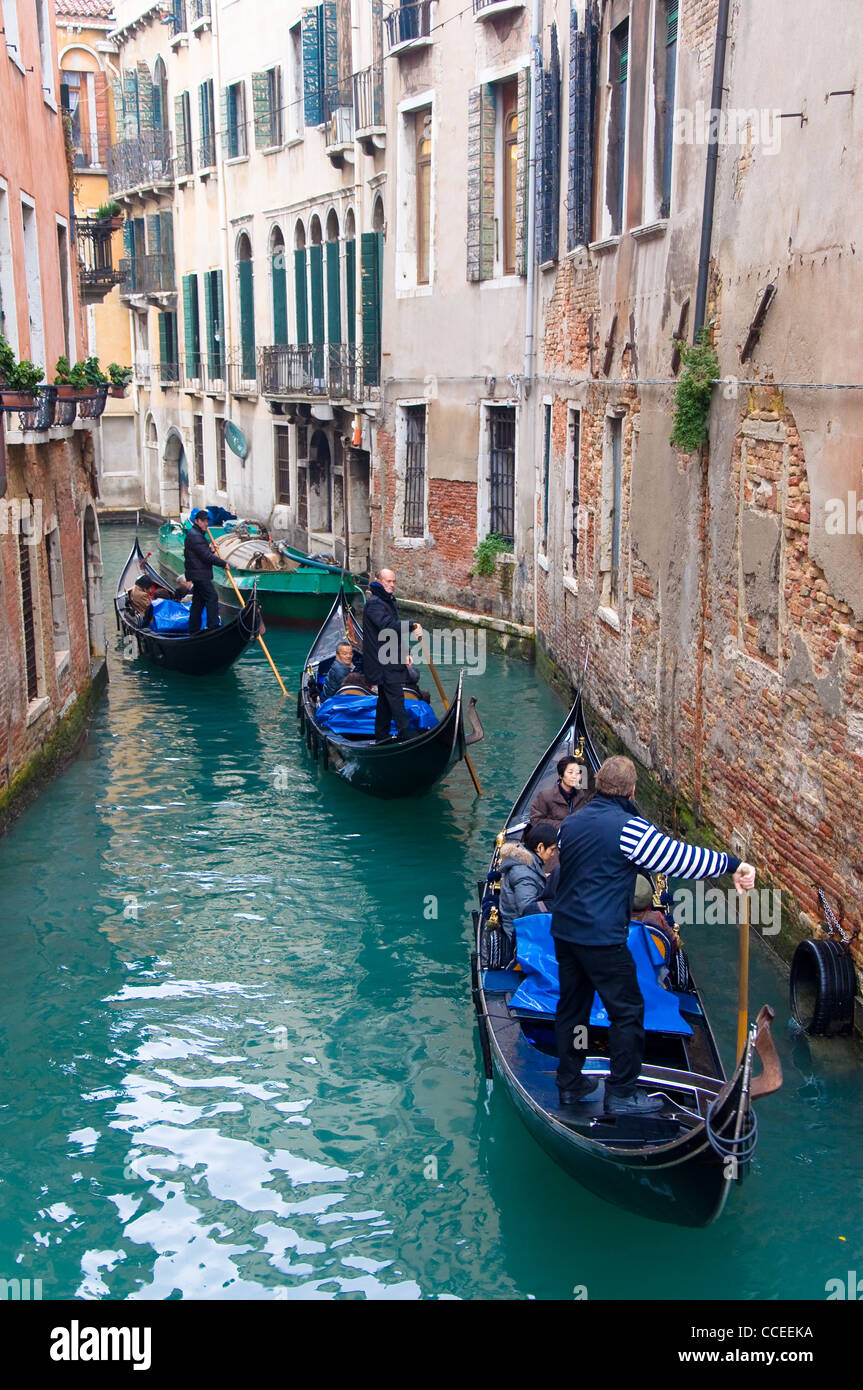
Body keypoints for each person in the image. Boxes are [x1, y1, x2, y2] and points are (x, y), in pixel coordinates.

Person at [551, 754, 755, 1114]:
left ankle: (569, 1082)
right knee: (628, 1012)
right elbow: (680, 859)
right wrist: (733, 864)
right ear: (632, 791)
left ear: (598, 785)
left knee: (573, 1008)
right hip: (601, 939)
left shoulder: (571, 823)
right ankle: (621, 1093)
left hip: (565, 933)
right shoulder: (630, 828)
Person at [362, 567, 423, 742]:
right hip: (382, 663)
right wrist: (412, 624)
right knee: (396, 698)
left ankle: (381, 736)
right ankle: (407, 735)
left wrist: (405, 653)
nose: (392, 584)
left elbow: (394, 633)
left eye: (394, 581)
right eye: (388, 581)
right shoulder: (375, 603)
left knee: (385, 700)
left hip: (389, 659)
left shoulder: (387, 601)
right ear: (379, 581)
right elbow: (387, 626)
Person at [498, 822, 558, 944]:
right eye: (552, 850)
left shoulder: (528, 861)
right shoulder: (523, 874)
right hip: (517, 931)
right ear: (540, 847)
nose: (553, 854)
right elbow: (528, 910)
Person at [184, 507, 228, 633]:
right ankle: (212, 626)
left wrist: (211, 550)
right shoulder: (195, 536)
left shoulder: (196, 535)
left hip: (197, 573)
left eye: (207, 521)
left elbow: (202, 554)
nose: (206, 524)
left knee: (198, 601)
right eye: (203, 521)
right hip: (199, 574)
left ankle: (194, 630)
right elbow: (206, 557)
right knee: (212, 597)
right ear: (197, 521)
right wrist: (223, 563)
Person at [530, 755, 592, 830]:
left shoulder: (582, 795)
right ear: (561, 775)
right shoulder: (545, 796)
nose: (574, 776)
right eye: (570, 772)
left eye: (577, 773)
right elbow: (535, 820)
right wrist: (562, 825)